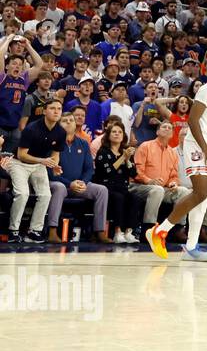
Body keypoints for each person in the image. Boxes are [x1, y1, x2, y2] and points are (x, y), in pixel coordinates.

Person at [144, 60, 207, 262]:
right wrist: (205, 148)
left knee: (203, 199)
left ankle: (191, 246)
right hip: (197, 144)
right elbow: (193, 120)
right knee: (200, 192)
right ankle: (160, 231)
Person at [45, 112, 110, 242]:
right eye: (65, 121)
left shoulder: (84, 143)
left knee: (101, 190)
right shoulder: (52, 142)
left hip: (79, 185)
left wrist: (83, 182)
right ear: (58, 125)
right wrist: (70, 184)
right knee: (59, 188)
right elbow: (50, 171)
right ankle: (52, 231)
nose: (69, 122)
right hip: (59, 183)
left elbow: (89, 169)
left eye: (71, 120)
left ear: (76, 124)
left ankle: (100, 231)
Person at [7, 98, 65, 243]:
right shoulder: (31, 128)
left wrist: (55, 165)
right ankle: (13, 231)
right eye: (52, 108)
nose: (56, 111)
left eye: (59, 108)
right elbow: (22, 155)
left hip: (39, 164)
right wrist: (42, 161)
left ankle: (34, 231)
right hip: (18, 163)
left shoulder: (61, 132)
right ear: (44, 111)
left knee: (45, 195)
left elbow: (55, 155)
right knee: (22, 193)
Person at [95, 117, 140, 244]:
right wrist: (123, 158)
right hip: (106, 187)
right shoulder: (103, 151)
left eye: (120, 132)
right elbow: (108, 171)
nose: (117, 134)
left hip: (122, 186)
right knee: (118, 198)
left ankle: (129, 232)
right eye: (114, 132)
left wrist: (127, 160)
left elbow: (134, 174)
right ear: (108, 135)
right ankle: (117, 232)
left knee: (134, 198)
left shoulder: (125, 152)